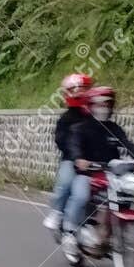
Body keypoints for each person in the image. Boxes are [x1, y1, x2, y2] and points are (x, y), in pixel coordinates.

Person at [61, 86, 134, 261]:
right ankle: (69, 233)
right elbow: (73, 146)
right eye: (100, 104)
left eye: (107, 103)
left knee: (126, 192)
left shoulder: (114, 128)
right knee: (81, 196)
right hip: (87, 173)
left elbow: (128, 145)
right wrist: (79, 159)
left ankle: (107, 231)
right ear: (91, 105)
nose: (104, 107)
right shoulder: (80, 127)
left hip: (111, 172)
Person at [43, 72, 93, 233]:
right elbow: (60, 141)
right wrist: (75, 156)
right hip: (71, 160)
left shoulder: (95, 117)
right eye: (76, 89)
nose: (80, 92)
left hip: (95, 161)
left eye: (84, 88)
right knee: (64, 184)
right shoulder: (66, 119)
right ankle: (57, 212)